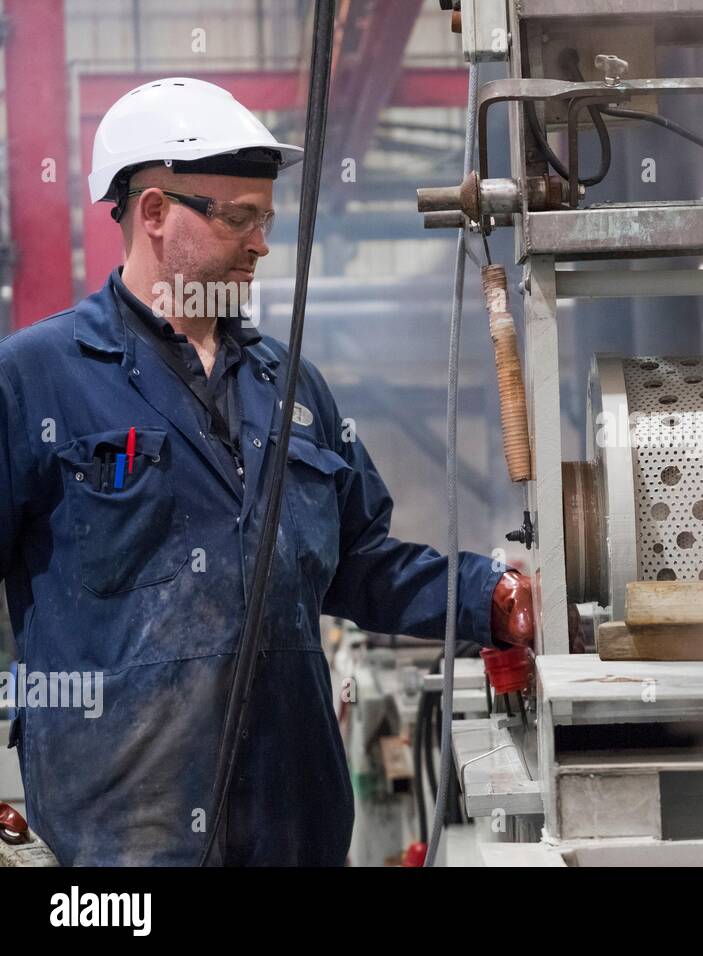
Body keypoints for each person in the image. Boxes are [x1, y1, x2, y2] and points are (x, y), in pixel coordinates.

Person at [0, 77, 533, 865]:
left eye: (266, 218)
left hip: (295, 823)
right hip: (118, 840)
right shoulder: (36, 377)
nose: (261, 242)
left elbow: (359, 562)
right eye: (239, 218)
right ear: (153, 212)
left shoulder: (292, 388)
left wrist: (488, 596)